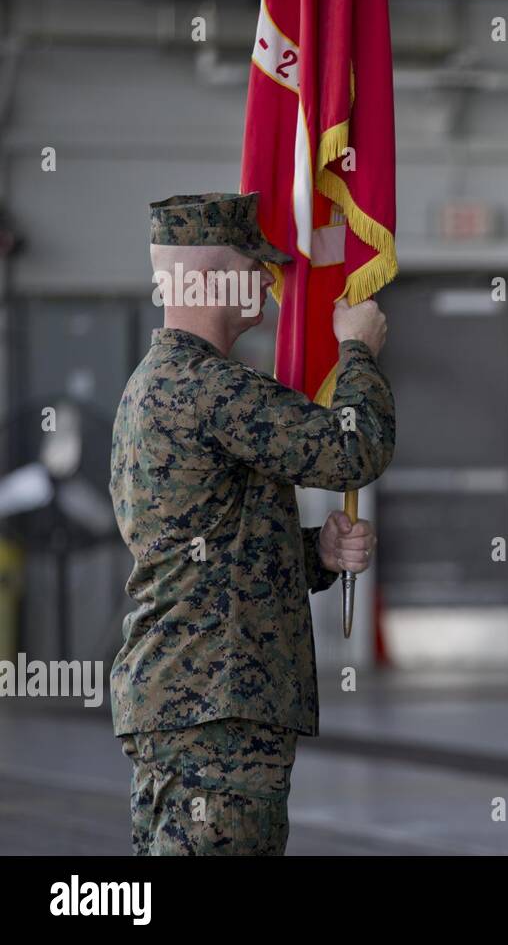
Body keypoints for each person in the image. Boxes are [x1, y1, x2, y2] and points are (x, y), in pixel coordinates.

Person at [111, 191, 396, 854]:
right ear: (211, 278)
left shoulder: (154, 384)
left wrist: (315, 554)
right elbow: (355, 449)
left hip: (192, 699)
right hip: (216, 706)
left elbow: (206, 549)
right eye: (254, 265)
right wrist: (357, 352)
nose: (270, 280)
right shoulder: (211, 388)